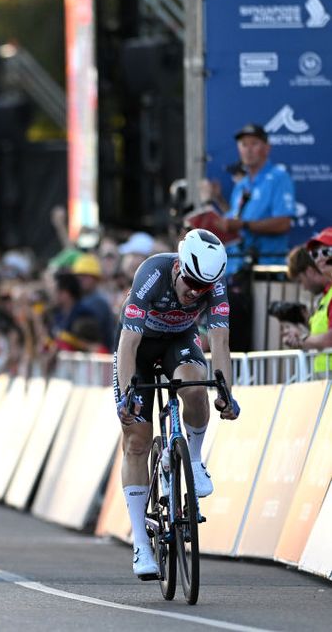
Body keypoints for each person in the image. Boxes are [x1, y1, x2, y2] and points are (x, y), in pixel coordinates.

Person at [113, 229, 240, 579]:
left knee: (196, 389)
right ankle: (141, 543)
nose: (195, 293)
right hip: (138, 348)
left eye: (203, 288)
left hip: (178, 342)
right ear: (178, 267)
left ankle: (195, 461)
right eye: (191, 284)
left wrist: (225, 393)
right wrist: (128, 396)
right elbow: (128, 346)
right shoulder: (151, 273)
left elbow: (220, 340)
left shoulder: (213, 285)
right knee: (136, 440)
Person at [218, 123, 295, 274]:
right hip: (237, 268)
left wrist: (244, 225)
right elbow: (235, 220)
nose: (248, 150)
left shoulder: (279, 178)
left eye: (254, 143)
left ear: (267, 148)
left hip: (266, 270)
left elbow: (283, 223)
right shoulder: (241, 185)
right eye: (244, 144)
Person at [282, 229, 332, 375]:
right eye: (315, 254)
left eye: (326, 252)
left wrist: (302, 339)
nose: (319, 258)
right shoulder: (328, 294)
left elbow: (329, 340)